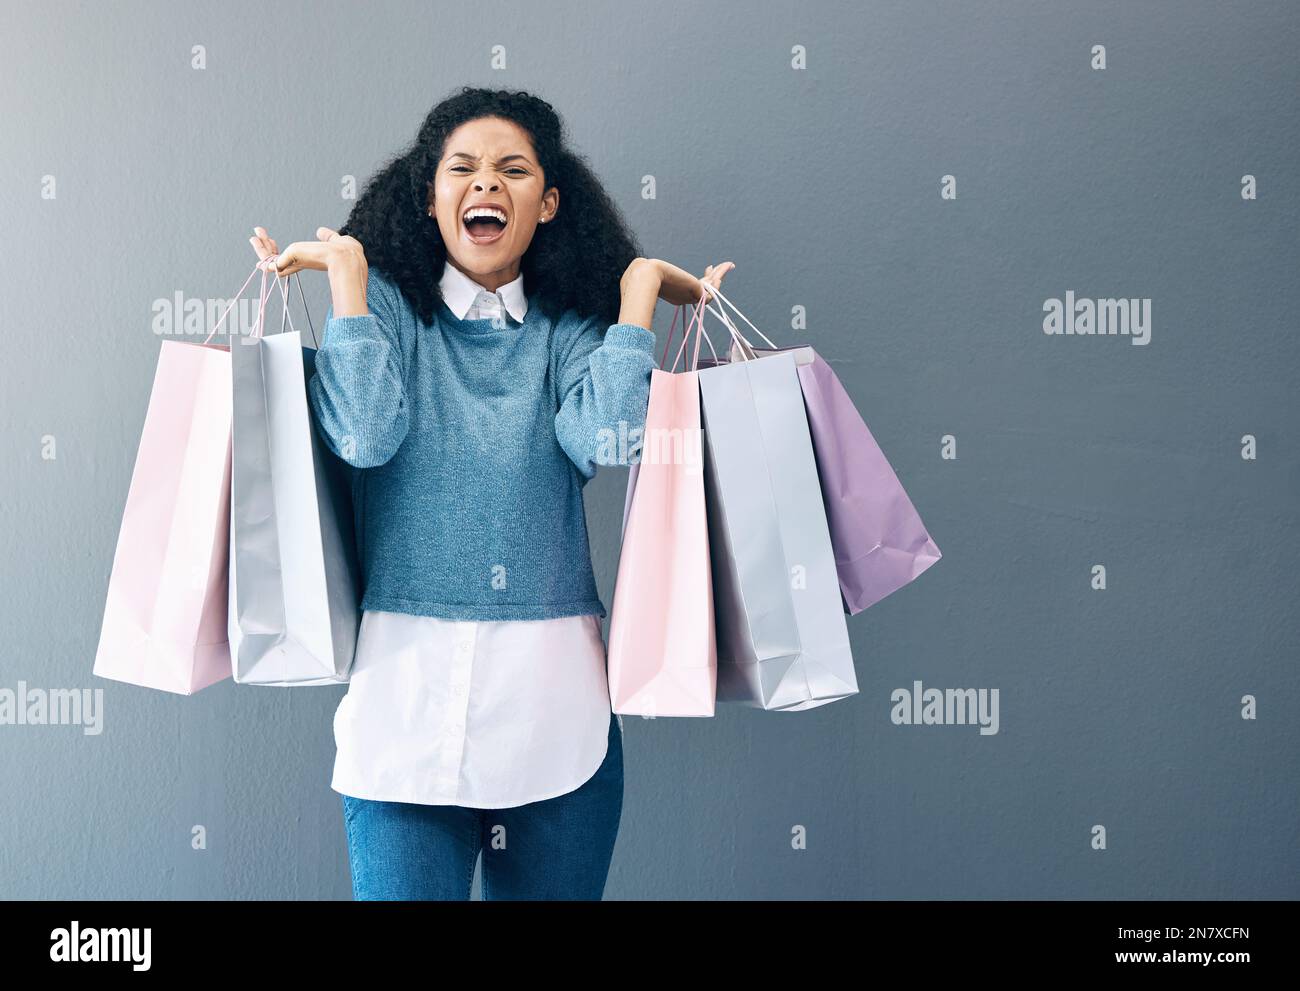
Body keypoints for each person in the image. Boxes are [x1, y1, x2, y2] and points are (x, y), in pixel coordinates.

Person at [249, 85, 733, 900]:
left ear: (547, 203)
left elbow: (607, 439)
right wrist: (350, 286)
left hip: (556, 723)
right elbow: (364, 437)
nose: (486, 182)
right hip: (402, 722)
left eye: (513, 169)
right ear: (429, 197)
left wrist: (637, 294)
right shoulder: (387, 311)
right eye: (462, 168)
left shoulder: (569, 325)